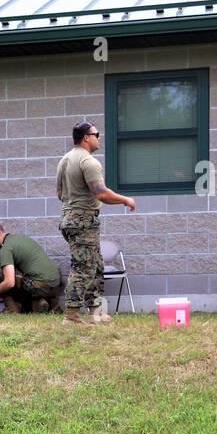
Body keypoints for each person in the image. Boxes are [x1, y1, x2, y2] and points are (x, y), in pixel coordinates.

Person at [54, 122, 137, 325]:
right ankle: (72, 316)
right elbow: (101, 193)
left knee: (96, 265)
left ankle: (96, 312)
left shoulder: (64, 161)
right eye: (96, 134)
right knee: (83, 267)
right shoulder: (88, 162)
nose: (99, 138)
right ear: (86, 138)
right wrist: (125, 200)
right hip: (83, 220)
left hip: (69, 218)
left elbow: (59, 193)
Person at [0, 222, 61, 313]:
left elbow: (9, 283)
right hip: (56, 283)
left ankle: (12, 310)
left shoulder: (6, 248)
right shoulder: (21, 238)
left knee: (0, 272)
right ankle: (41, 303)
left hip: (41, 286)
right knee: (19, 275)